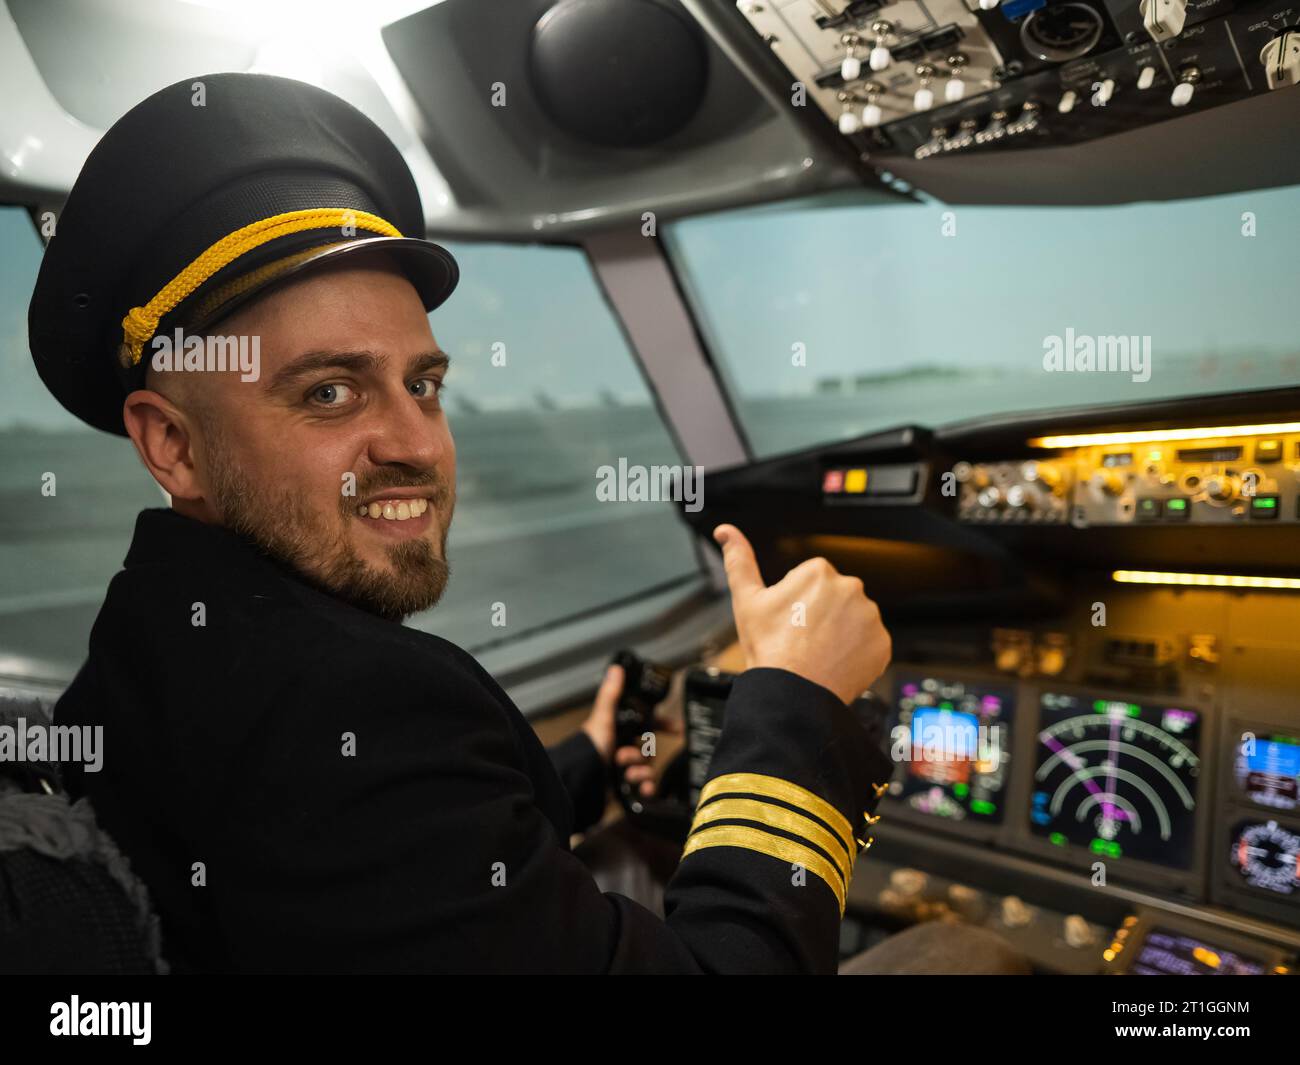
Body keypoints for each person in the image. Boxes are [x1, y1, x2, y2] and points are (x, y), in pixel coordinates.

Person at [29, 72, 895, 973]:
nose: (416, 444)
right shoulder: (345, 703)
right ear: (172, 444)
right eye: (328, 392)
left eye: (423, 385)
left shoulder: (146, 646)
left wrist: (590, 758)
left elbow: (406, 859)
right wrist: (797, 701)